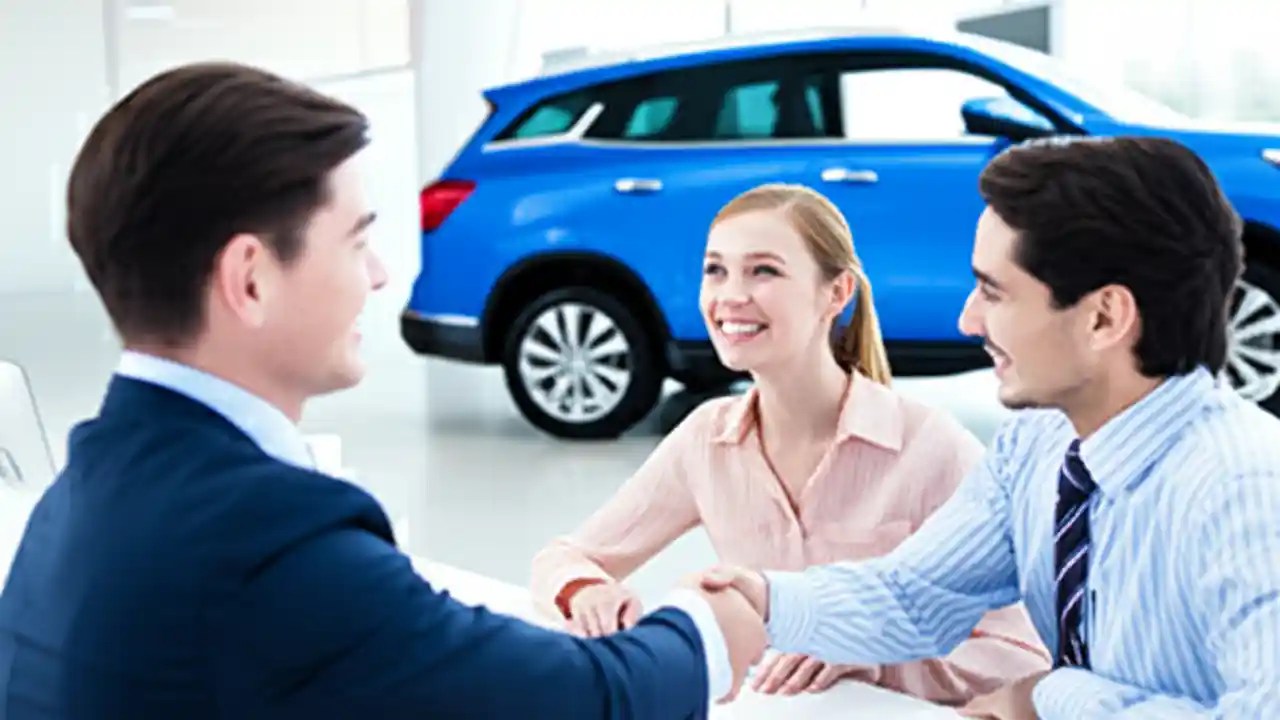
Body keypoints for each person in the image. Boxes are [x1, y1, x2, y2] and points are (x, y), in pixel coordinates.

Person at [0, 62, 768, 719]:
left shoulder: (79, 493)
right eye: (357, 241)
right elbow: (586, 701)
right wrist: (710, 626)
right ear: (250, 279)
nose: (378, 275)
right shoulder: (268, 539)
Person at [699, 137, 1280, 719]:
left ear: (1104, 317)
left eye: (993, 292)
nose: (967, 319)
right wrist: (764, 598)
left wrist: (1054, 695)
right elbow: (914, 596)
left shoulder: (1246, 489)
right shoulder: (1038, 444)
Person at [529, 183, 1050, 704]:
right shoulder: (705, 438)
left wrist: (875, 654)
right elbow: (566, 557)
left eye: (764, 271)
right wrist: (588, 591)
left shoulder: (929, 445)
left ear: (837, 293)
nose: (731, 296)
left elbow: (1022, 656)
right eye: (715, 270)